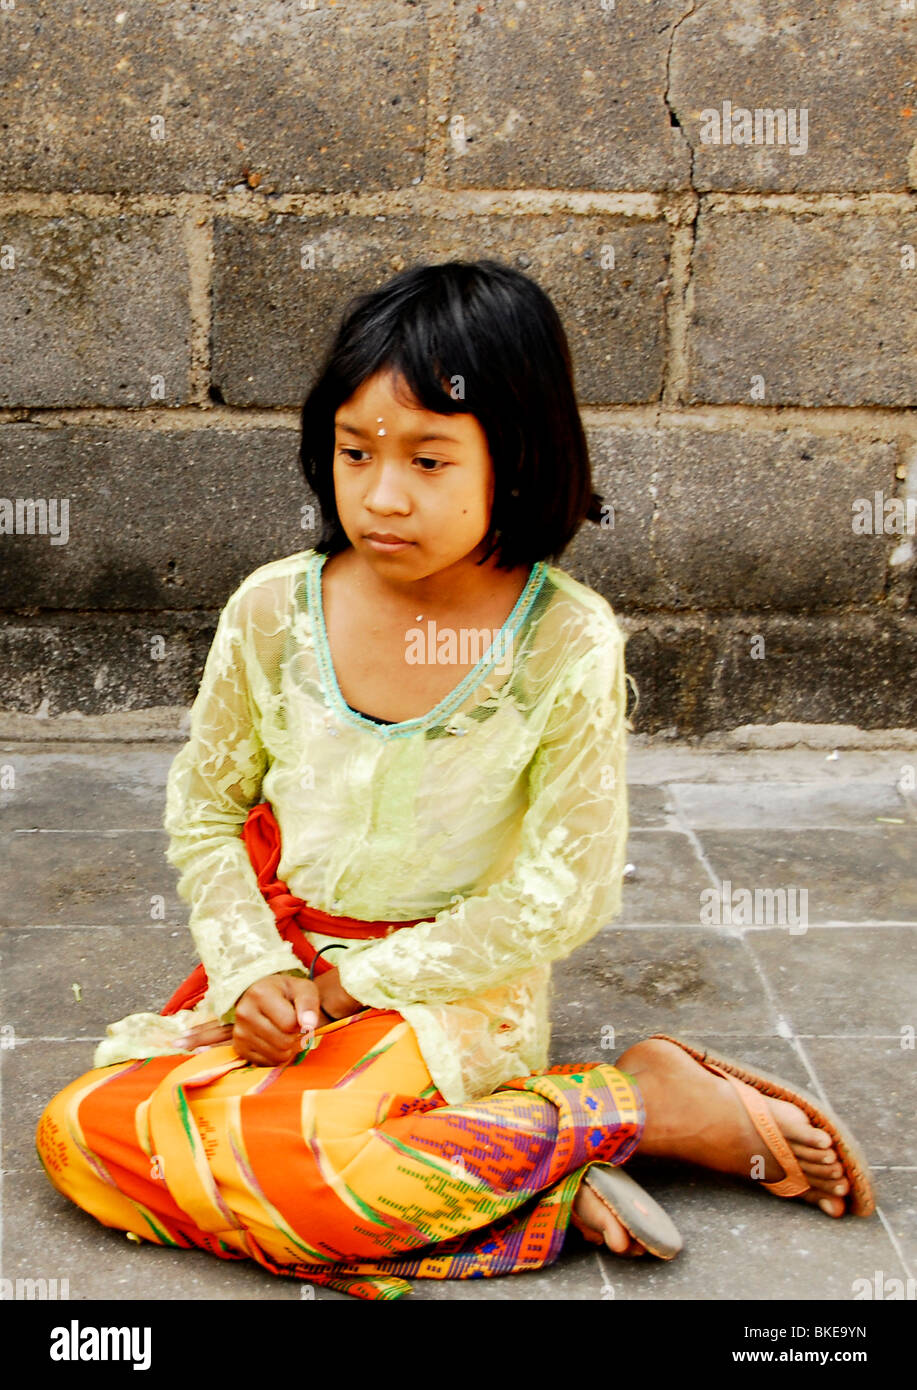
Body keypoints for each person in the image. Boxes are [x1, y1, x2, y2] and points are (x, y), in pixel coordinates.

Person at [35, 260, 875, 1300]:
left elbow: (560, 894)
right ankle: (541, 1182)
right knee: (80, 1133)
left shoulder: (563, 641)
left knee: (300, 1157)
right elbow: (206, 810)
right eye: (355, 451)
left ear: (516, 461)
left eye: (429, 459)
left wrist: (354, 986)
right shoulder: (270, 610)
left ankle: (637, 1101)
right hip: (286, 976)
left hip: (449, 991)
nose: (381, 494)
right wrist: (254, 971)